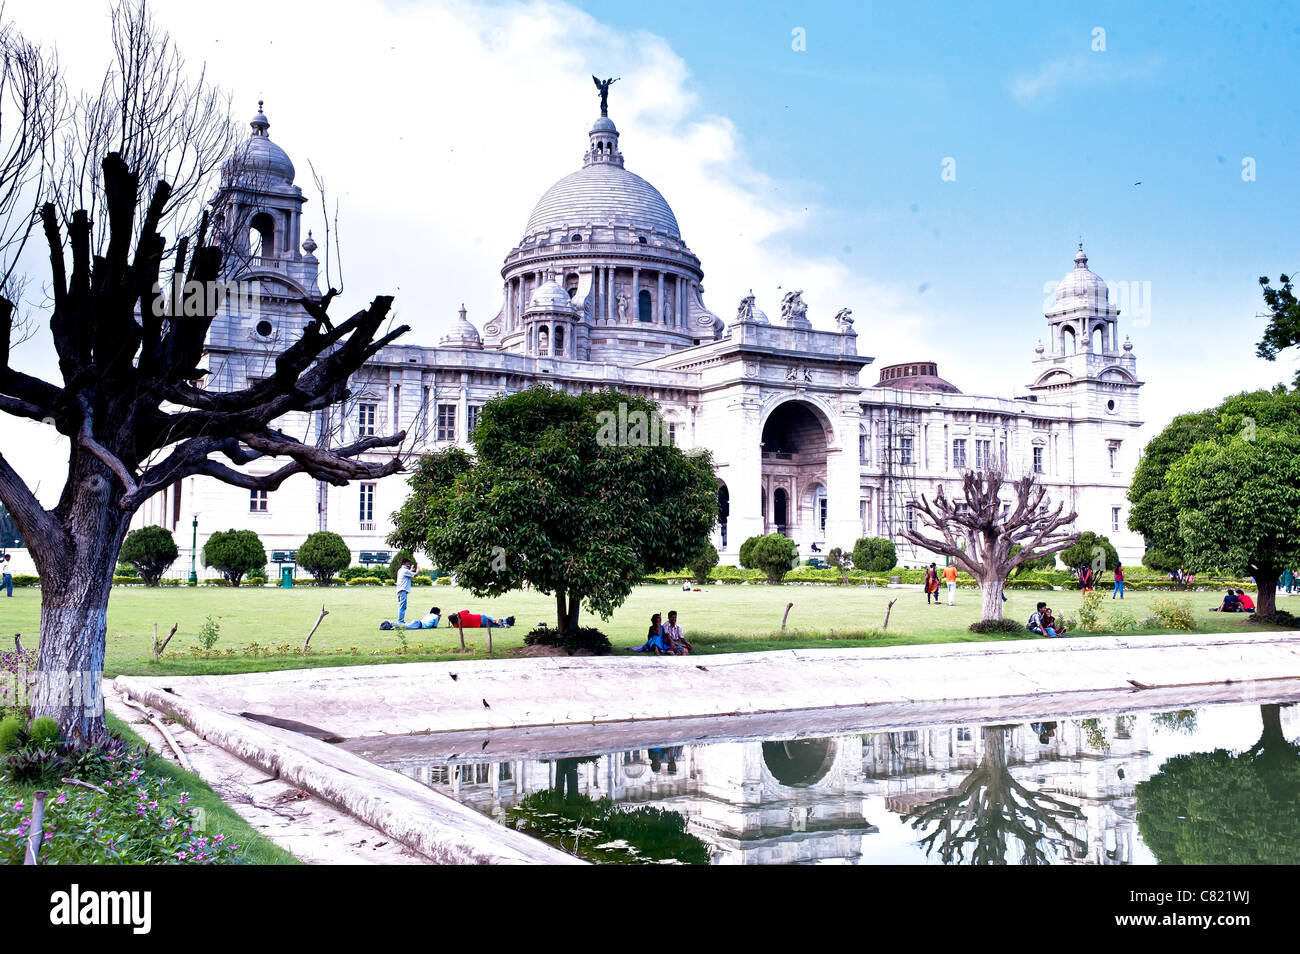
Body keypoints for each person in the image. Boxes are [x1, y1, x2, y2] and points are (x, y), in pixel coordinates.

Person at [395, 559, 416, 624]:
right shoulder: (404, 570)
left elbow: (408, 573)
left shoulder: (401, 570)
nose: (409, 565)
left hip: (400, 590)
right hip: (402, 590)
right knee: (403, 607)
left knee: (401, 606)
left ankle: (401, 620)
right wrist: (418, 569)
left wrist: (411, 569)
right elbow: (415, 574)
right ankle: (400, 621)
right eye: (408, 563)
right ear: (404, 563)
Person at [448, 610, 514, 628]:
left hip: (479, 625)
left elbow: (454, 625)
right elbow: (467, 611)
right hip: (480, 617)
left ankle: (505, 624)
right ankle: (504, 622)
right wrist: (456, 614)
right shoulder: (461, 613)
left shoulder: (457, 625)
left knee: (495, 625)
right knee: (494, 621)